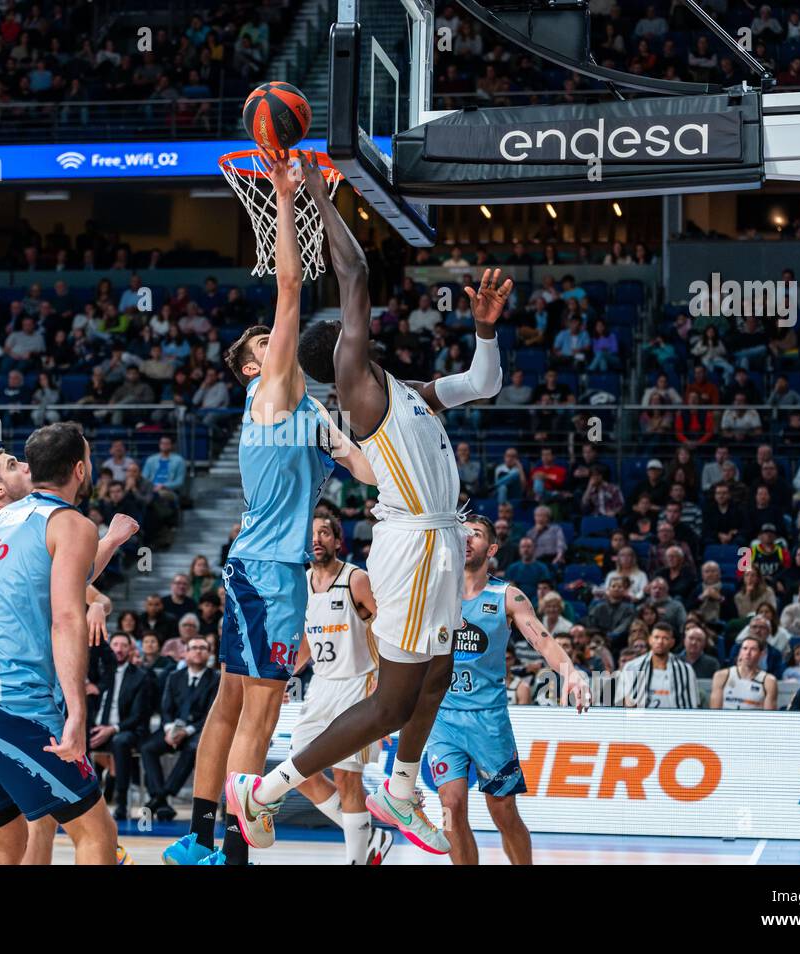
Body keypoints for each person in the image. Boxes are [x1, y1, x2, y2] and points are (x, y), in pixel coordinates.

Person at [229, 153, 576, 859]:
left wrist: (484, 327)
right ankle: (265, 790)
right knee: (393, 699)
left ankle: (401, 787)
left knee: (438, 674)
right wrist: (327, 195)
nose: (365, 331)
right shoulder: (356, 384)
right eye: (354, 336)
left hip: (440, 542)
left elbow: (483, 383)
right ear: (345, 352)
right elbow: (352, 275)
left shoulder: (406, 388)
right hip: (413, 546)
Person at [162, 154, 373, 867]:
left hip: (254, 567)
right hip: (270, 570)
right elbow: (288, 283)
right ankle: (233, 849)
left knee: (228, 704)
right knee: (262, 708)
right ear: (255, 366)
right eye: (264, 344)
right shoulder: (273, 389)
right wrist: (285, 197)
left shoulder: (309, 413)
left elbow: (365, 467)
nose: (275, 342)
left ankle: (196, 837)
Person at [0, 422, 117, 865]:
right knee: (96, 832)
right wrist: (76, 712)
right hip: (7, 698)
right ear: (80, 469)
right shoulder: (70, 523)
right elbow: (66, 617)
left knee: (3, 840)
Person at [429, 516, 588, 865]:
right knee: (450, 808)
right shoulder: (436, 590)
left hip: (488, 720)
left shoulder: (507, 595)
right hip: (442, 719)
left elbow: (543, 641)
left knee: (503, 812)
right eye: (462, 535)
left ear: (493, 549)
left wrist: (570, 674)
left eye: (477, 535)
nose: (467, 540)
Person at [287, 515, 393, 865]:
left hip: (358, 683)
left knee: (347, 778)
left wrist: (386, 675)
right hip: (321, 686)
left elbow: (389, 624)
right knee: (295, 771)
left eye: (324, 533)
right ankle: (372, 835)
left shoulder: (356, 579)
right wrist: (287, 674)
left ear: (337, 541)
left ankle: (356, 858)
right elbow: (306, 641)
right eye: (312, 533)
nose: (317, 538)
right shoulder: (301, 584)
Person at [141, 637, 219, 821]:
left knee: (194, 748)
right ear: (185, 653)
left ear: (209, 654)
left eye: (202, 648)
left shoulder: (216, 679)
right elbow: (165, 708)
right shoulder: (174, 677)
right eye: (194, 648)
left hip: (198, 731)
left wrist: (188, 731)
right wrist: (170, 730)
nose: (198, 651)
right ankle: (162, 801)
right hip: (173, 729)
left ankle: (160, 796)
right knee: (147, 747)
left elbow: (212, 714)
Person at [89, 632, 156, 820]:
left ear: (131, 649)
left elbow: (139, 715)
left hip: (126, 730)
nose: (118, 649)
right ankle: (82, 802)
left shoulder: (140, 677)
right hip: (97, 727)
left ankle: (121, 801)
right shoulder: (99, 673)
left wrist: (112, 728)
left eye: (123, 645)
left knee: (120, 741)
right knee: (78, 739)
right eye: (115, 644)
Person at [621, 623, 700, 708]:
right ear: (650, 640)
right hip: (641, 720)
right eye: (656, 637)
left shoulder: (686, 670)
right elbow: (622, 701)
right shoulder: (632, 667)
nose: (660, 642)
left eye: (665, 638)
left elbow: (693, 704)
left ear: (672, 642)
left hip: (674, 719)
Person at [710, 633, 778, 709]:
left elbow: (769, 716)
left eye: (753, 649)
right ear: (740, 652)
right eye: (745, 648)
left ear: (761, 654)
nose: (748, 653)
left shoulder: (769, 681)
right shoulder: (721, 676)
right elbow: (715, 712)